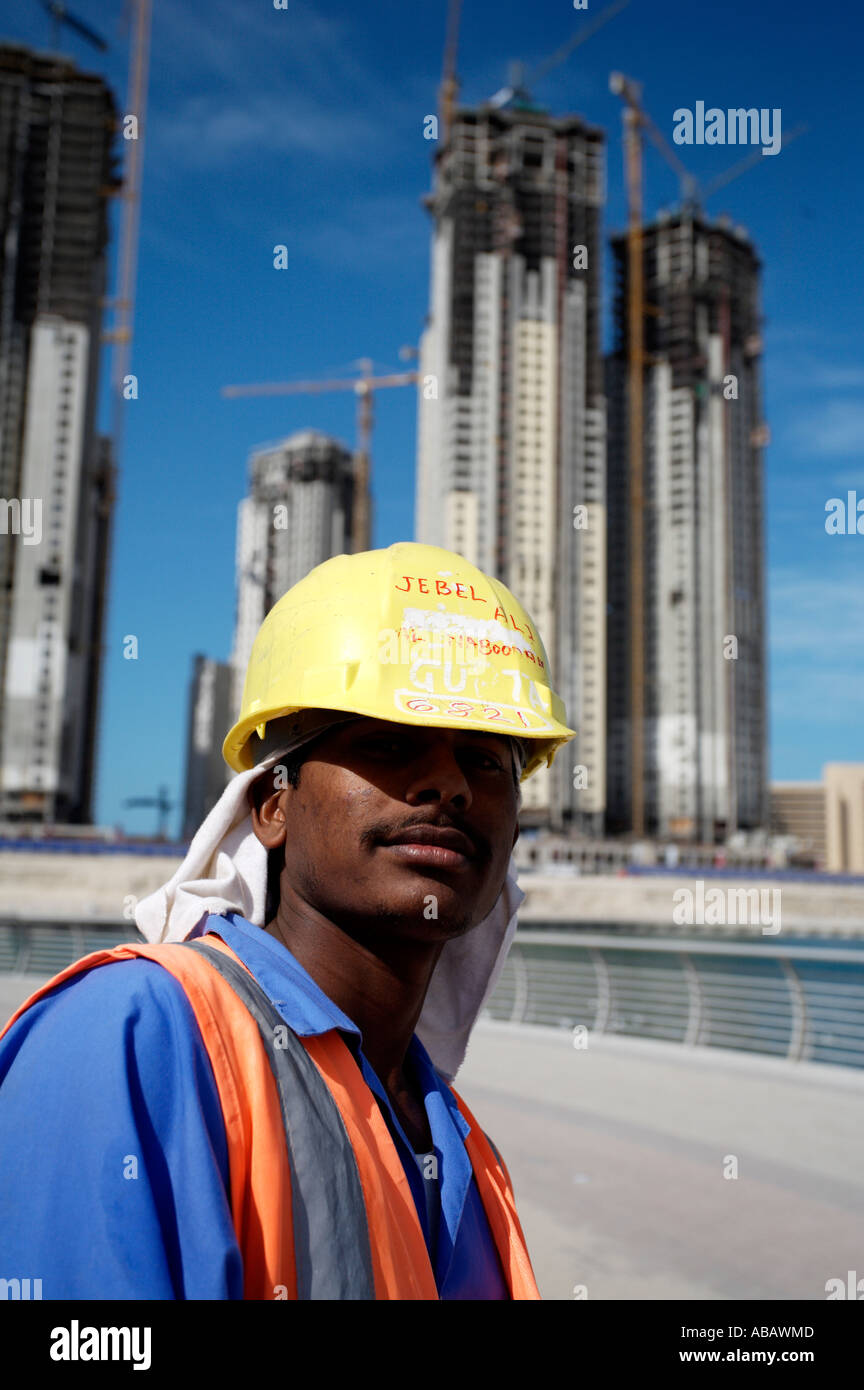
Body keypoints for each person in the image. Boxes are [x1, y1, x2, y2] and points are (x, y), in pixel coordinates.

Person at [0, 542, 575, 1300]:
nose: (447, 785)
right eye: (389, 744)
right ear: (272, 805)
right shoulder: (132, 1035)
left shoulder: (458, 1141)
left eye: (485, 761)